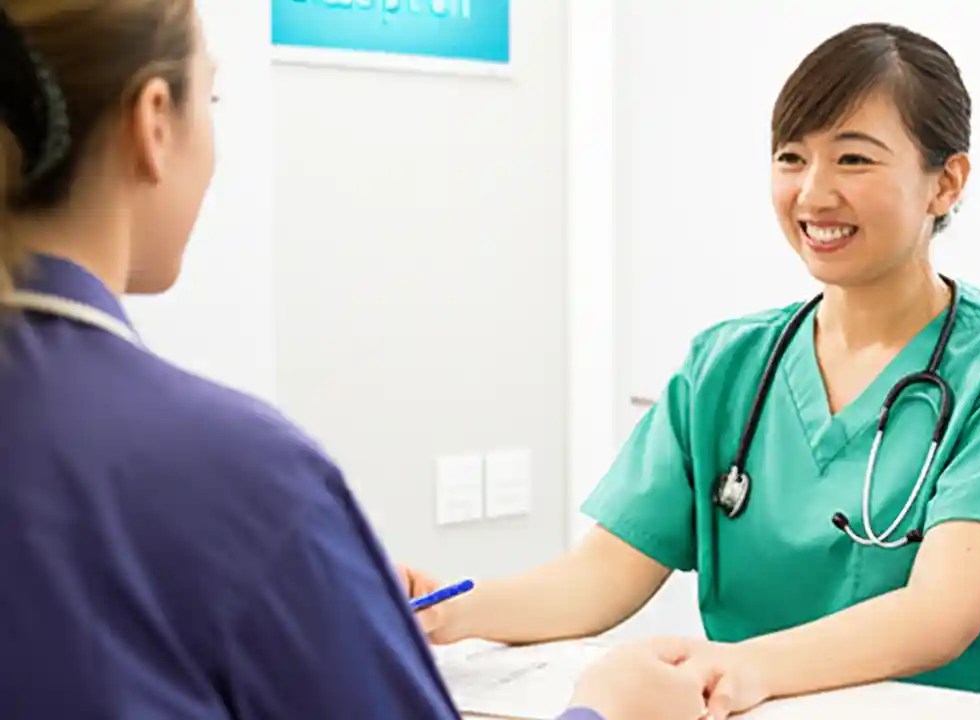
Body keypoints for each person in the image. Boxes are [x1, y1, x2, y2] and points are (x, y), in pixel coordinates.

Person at [0, 2, 713, 719]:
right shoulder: (235, 475)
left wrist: (441, 610)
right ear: (154, 123)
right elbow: (600, 575)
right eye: (209, 98)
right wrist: (614, 711)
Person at [401, 20, 980, 720]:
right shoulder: (727, 368)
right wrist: (440, 610)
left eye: (853, 160)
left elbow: (940, 613)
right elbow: (601, 578)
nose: (814, 194)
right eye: (792, 158)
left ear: (946, 182)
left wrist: (743, 666)